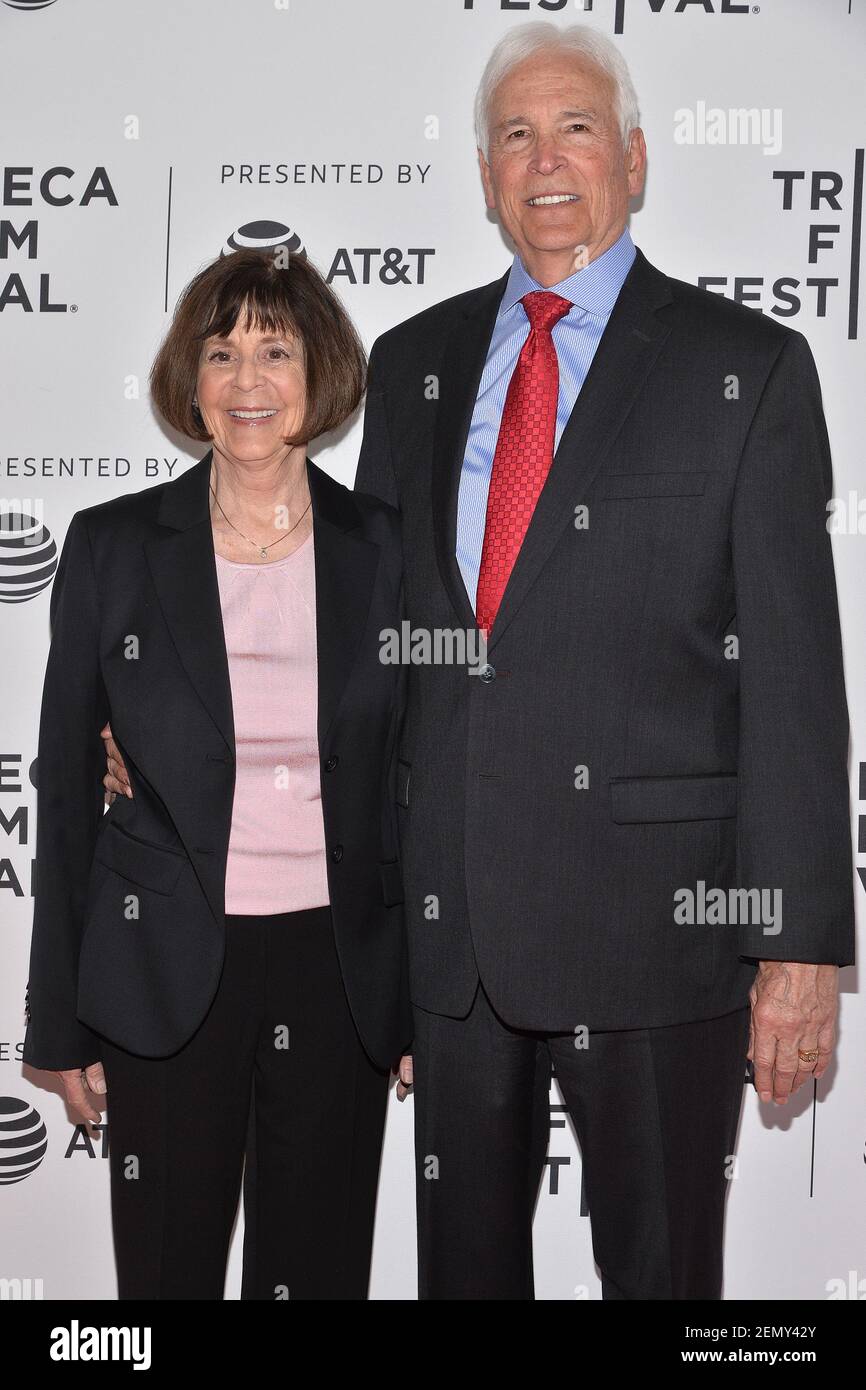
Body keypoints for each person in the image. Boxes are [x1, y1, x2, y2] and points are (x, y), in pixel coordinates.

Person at [352, 22, 854, 1298]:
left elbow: (794, 684)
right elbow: (373, 660)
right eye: (513, 136)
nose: (544, 160)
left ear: (632, 158)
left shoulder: (744, 370)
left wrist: (797, 948)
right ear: (481, 176)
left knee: (662, 1282)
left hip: (658, 932)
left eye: (574, 127)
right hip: (450, 936)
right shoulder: (410, 369)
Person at [23, 247, 411, 1300]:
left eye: (275, 350)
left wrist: (419, 998)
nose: (248, 381)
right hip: (160, 974)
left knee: (316, 1276)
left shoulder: (384, 550)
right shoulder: (110, 548)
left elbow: (415, 782)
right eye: (221, 350)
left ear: (318, 374)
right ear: (187, 381)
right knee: (162, 1281)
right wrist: (57, 1022)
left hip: (337, 973)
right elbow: (65, 798)